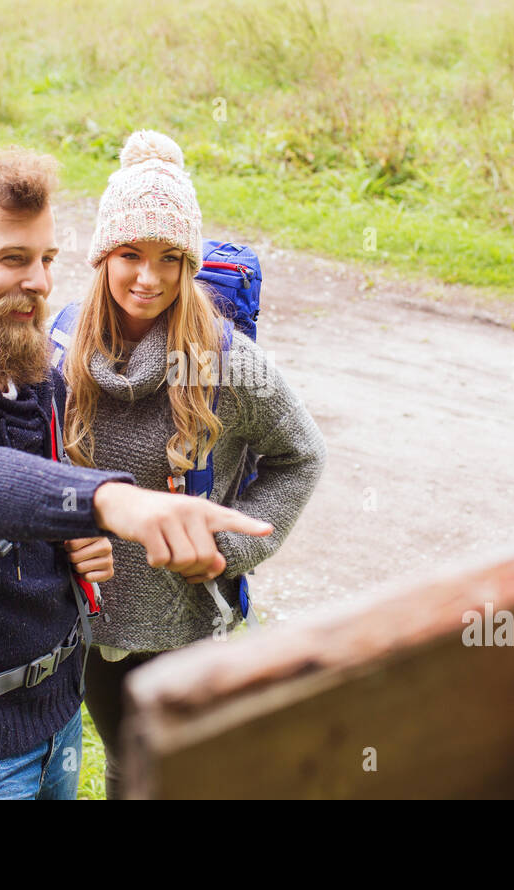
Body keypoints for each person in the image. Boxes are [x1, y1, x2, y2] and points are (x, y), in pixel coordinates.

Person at [0, 145, 272, 800]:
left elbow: (20, 503)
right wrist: (108, 503)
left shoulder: (21, 366)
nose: (38, 281)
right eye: (12, 259)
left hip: (59, 721)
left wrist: (66, 541)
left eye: (46, 259)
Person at [59, 130, 328, 799]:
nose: (147, 277)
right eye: (129, 254)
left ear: (189, 262)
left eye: (170, 257)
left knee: (186, 779)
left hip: (190, 624)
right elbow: (26, 468)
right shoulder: (58, 347)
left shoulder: (227, 361)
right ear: (103, 255)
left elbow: (301, 456)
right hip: (87, 623)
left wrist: (230, 546)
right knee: (125, 764)